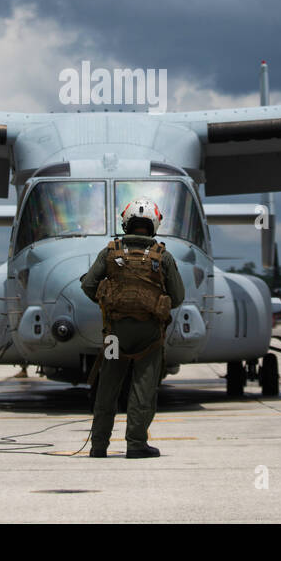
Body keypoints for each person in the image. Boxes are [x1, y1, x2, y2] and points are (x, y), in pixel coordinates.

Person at [81, 197, 185, 459]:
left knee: (108, 388)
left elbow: (88, 286)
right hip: (148, 336)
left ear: (126, 223)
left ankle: (99, 446)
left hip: (115, 334)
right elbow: (179, 296)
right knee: (143, 389)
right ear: (153, 225)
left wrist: (107, 301)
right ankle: (136, 445)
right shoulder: (163, 257)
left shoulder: (109, 253)